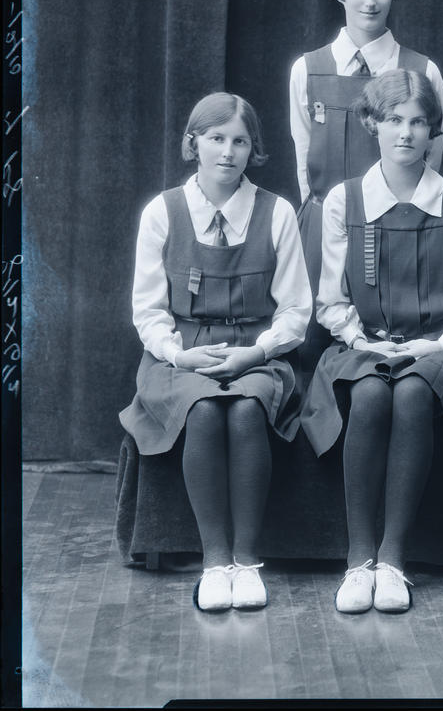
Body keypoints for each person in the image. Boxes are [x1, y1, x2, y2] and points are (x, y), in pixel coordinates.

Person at [300, 69, 443, 614]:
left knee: (410, 394)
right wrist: (361, 339)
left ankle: (393, 560)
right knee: (368, 394)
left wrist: (434, 347)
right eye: (393, 120)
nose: (406, 133)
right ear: (372, 124)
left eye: (418, 122)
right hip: (364, 345)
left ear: (433, 130)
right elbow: (330, 300)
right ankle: (357, 558)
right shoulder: (344, 201)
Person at [120, 93, 311, 612]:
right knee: (203, 411)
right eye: (215, 139)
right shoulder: (163, 212)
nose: (227, 152)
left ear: (254, 149)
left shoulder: (277, 213)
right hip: (181, 355)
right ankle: (214, 563)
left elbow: (295, 311)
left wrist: (257, 354)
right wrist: (177, 356)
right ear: (193, 144)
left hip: (259, 354)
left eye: (240, 141)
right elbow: (148, 310)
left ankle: (247, 564)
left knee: (246, 408)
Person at [289, 0, 443, 370]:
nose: (370, 1)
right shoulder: (307, 70)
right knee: (314, 347)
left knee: (393, 357)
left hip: (397, 232)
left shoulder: (423, 72)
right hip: (323, 226)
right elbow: (304, 162)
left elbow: (430, 161)